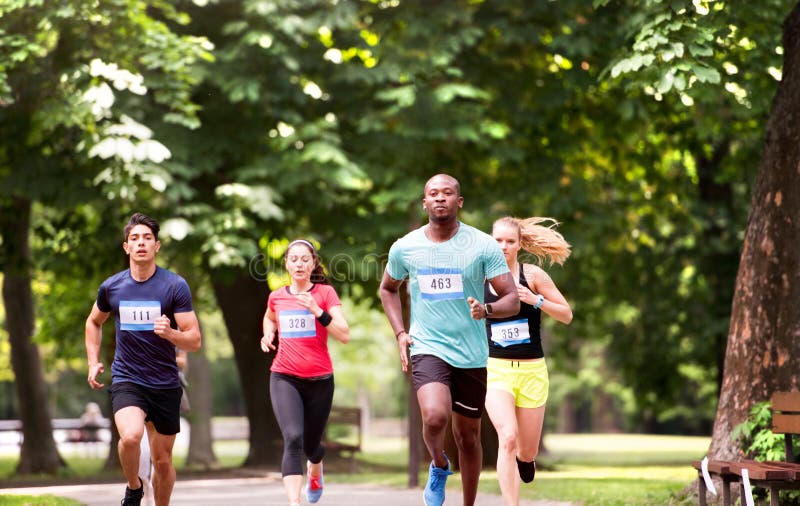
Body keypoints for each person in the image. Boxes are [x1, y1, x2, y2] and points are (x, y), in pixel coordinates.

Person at [379, 174, 520, 506]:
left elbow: (511, 298)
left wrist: (486, 309)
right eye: (433, 193)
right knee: (435, 416)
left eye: (447, 193)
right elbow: (387, 289)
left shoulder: (482, 245)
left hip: (471, 352)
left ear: (459, 202)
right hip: (427, 346)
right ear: (424, 203)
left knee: (468, 437)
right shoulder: (405, 247)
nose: (440, 198)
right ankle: (439, 464)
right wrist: (401, 333)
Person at [85, 212, 202, 506]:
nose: (141, 244)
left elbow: (195, 339)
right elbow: (94, 322)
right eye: (134, 238)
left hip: (164, 382)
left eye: (147, 238)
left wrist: (172, 334)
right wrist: (92, 361)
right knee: (132, 437)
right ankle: (134, 486)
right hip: (128, 378)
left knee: (162, 463)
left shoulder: (174, 286)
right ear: (126, 247)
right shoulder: (112, 287)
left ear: (157, 246)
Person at [484, 217, 573, 506]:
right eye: (498, 240)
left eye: (510, 241)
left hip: (532, 370)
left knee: (526, 450)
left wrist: (535, 300)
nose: (504, 246)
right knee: (507, 438)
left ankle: (527, 459)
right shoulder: (479, 277)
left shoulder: (532, 275)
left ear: (520, 244)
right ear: (490, 241)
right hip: (495, 370)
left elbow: (566, 314)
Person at [260, 239, 350, 506]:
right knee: (294, 438)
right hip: (284, 376)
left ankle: (316, 466)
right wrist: (268, 333)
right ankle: (294, 501)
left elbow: (344, 334)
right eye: (293, 259)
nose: (299, 264)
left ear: (313, 264)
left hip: (320, 379)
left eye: (304, 259)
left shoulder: (324, 294)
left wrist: (316, 310)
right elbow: (269, 316)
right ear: (286, 263)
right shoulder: (277, 296)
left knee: (312, 446)